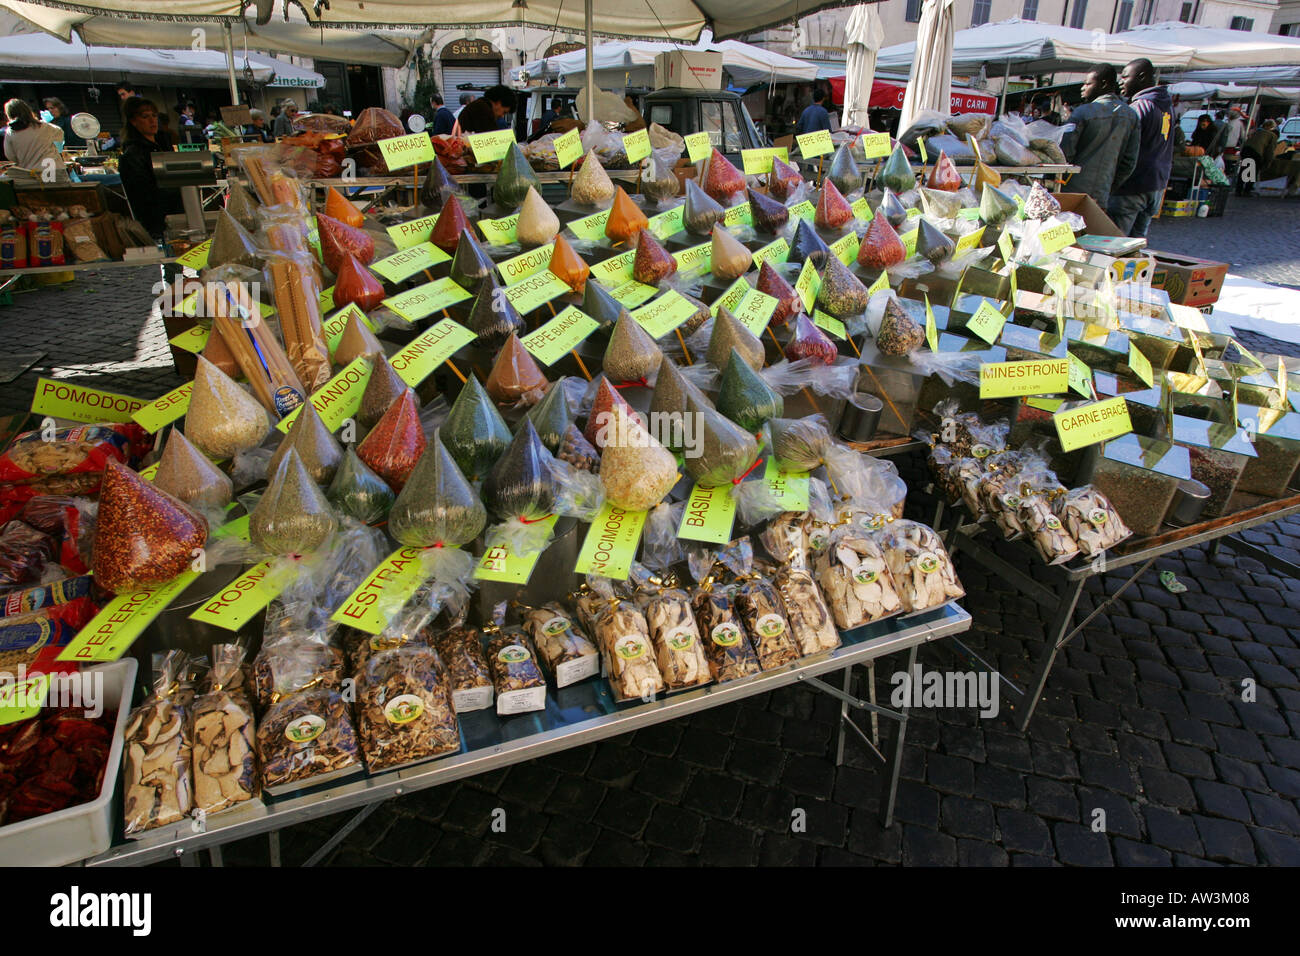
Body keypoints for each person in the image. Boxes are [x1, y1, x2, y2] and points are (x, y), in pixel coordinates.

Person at [1107, 58, 1175, 239]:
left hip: (1133, 186)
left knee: (1115, 243)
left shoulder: (1139, 107)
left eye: (1126, 77)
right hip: (1156, 184)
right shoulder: (1165, 105)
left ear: (1142, 77)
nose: (1121, 82)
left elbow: (1121, 149)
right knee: (1136, 245)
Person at [1062, 65, 1139, 210]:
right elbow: (1129, 162)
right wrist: (1109, 186)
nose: (1082, 88)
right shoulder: (1131, 115)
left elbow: (1064, 156)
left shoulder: (1082, 113)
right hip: (1102, 192)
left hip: (1072, 191)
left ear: (1103, 84)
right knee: (1092, 230)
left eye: (1087, 83)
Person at [118, 97, 182, 239]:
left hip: (176, 212)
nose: (152, 121)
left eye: (154, 115)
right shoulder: (133, 154)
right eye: (145, 117)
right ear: (133, 121)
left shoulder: (163, 144)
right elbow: (142, 194)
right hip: (156, 221)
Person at [2, 99, 68, 182]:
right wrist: (58, 150)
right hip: (55, 175)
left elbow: (11, 156)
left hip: (30, 178)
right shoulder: (44, 126)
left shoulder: (10, 133)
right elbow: (60, 133)